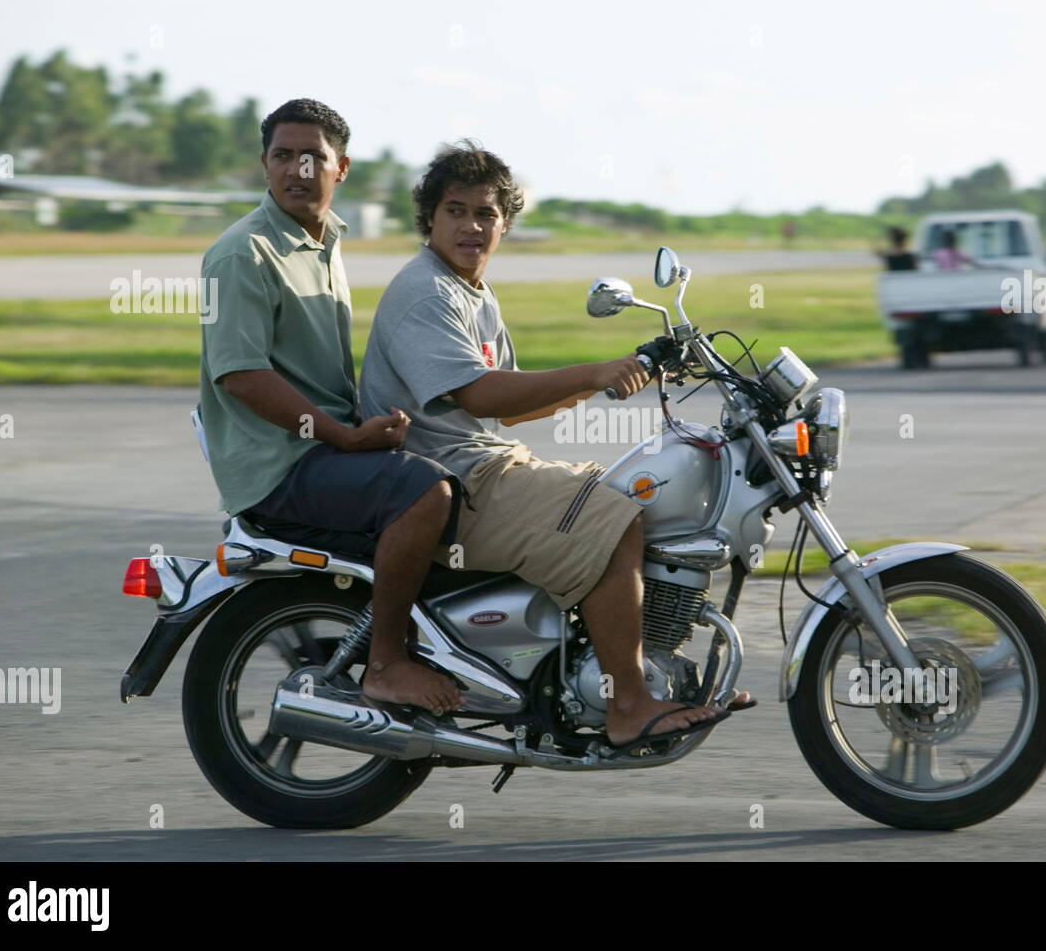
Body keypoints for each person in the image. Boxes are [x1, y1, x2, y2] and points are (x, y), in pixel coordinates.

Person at [359, 142, 751, 750]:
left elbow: (512, 404)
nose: (471, 226)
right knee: (613, 517)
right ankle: (627, 703)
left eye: (485, 213)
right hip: (452, 479)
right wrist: (593, 373)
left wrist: (613, 379)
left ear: (505, 223)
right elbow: (483, 396)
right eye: (455, 210)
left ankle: (596, 662)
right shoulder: (425, 292)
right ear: (429, 220)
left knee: (623, 489)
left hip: (483, 461)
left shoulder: (472, 293)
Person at [198, 98, 465, 716]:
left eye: (311, 156)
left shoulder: (321, 241)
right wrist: (345, 440)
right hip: (279, 464)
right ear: (263, 165)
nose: (297, 169)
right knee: (428, 493)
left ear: (340, 167)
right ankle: (387, 662)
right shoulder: (243, 254)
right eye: (282, 155)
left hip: (318, 444)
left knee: (466, 474)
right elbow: (241, 377)